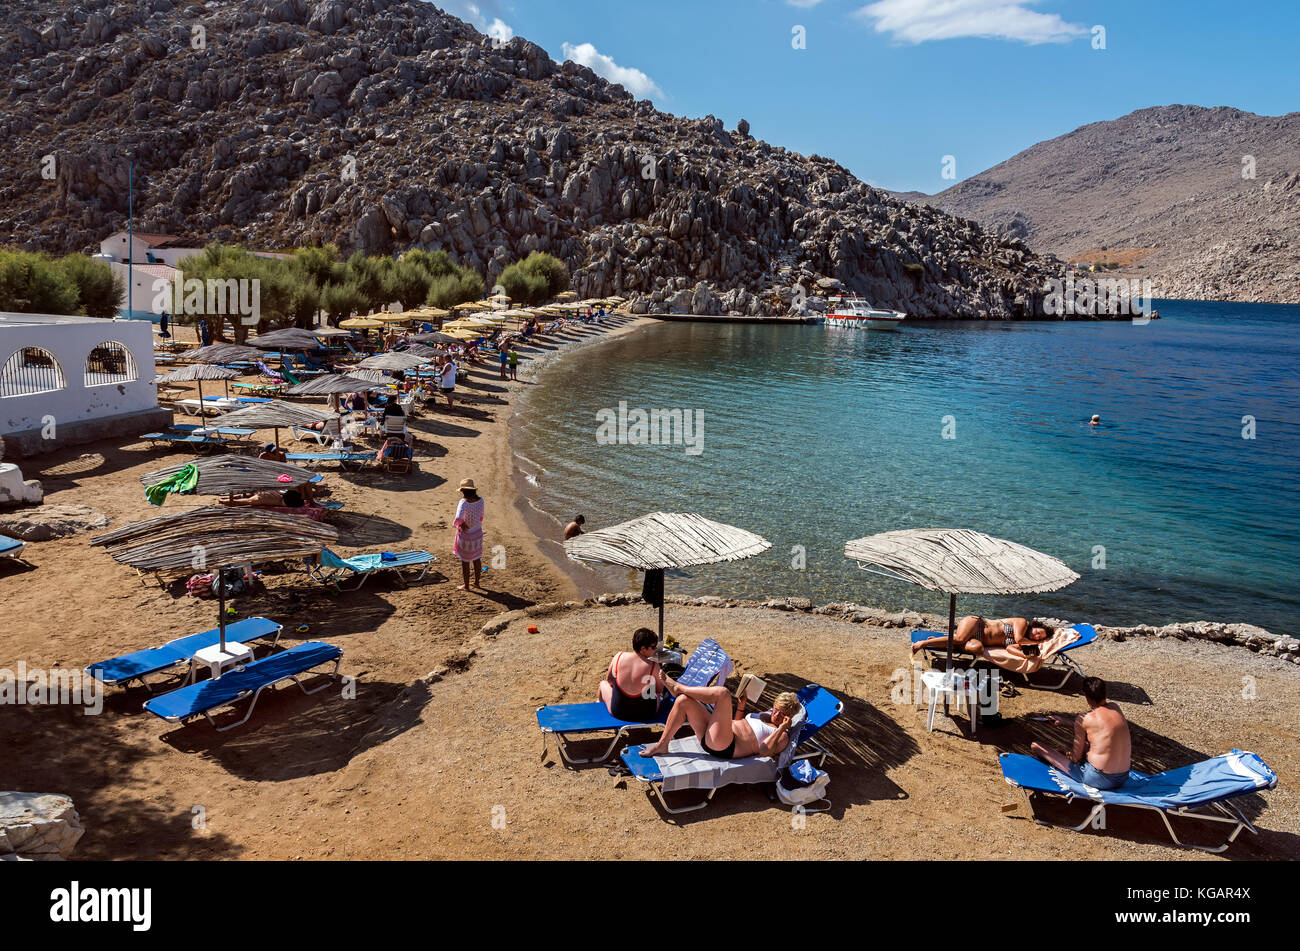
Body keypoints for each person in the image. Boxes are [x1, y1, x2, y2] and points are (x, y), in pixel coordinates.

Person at [641, 681, 801, 761]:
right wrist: (741, 707)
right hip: (716, 735)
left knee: (723, 694)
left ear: (789, 717)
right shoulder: (765, 715)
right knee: (683, 701)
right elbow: (738, 723)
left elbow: (764, 751)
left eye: (782, 714)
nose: (776, 715)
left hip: (725, 747)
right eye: (776, 709)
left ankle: (679, 687)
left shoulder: (782, 736)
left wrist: (782, 728)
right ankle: (663, 745)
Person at [1032, 677, 1132, 790]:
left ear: (1087, 697)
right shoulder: (1115, 708)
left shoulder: (1084, 718)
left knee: (1036, 746)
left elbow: (1075, 758)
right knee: (1090, 746)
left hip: (1098, 779)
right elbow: (1098, 728)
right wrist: (1065, 722)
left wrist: (1066, 753)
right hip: (1123, 777)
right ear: (1105, 693)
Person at [599, 628, 669, 721]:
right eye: (653, 647)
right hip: (647, 714)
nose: (655, 649)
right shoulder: (653, 666)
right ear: (643, 648)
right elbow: (659, 690)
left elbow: (609, 680)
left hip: (619, 713)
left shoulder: (618, 657)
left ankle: (598, 705)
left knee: (603, 684)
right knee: (652, 691)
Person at [911, 616, 1055, 658]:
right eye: (1038, 632)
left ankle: (944, 641)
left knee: (978, 649)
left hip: (978, 640)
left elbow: (1011, 648)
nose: (1035, 636)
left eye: (1038, 637)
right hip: (977, 624)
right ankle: (921, 643)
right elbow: (1018, 639)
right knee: (960, 639)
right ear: (1035, 625)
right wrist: (1031, 643)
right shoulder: (1022, 622)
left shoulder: (1025, 642)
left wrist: (1025, 655)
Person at [452, 478, 484, 590]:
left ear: (463, 491)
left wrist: (459, 524)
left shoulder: (463, 503)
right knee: (477, 558)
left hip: (467, 535)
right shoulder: (481, 500)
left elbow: (458, 518)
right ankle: (477, 582)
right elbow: (481, 516)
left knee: (465, 561)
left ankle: (466, 586)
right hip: (478, 532)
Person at [222, 488, 304, 508]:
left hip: (275, 496)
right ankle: (226, 500)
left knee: (250, 499)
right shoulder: (294, 495)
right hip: (276, 496)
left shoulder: (292, 496)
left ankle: (226, 500)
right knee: (249, 499)